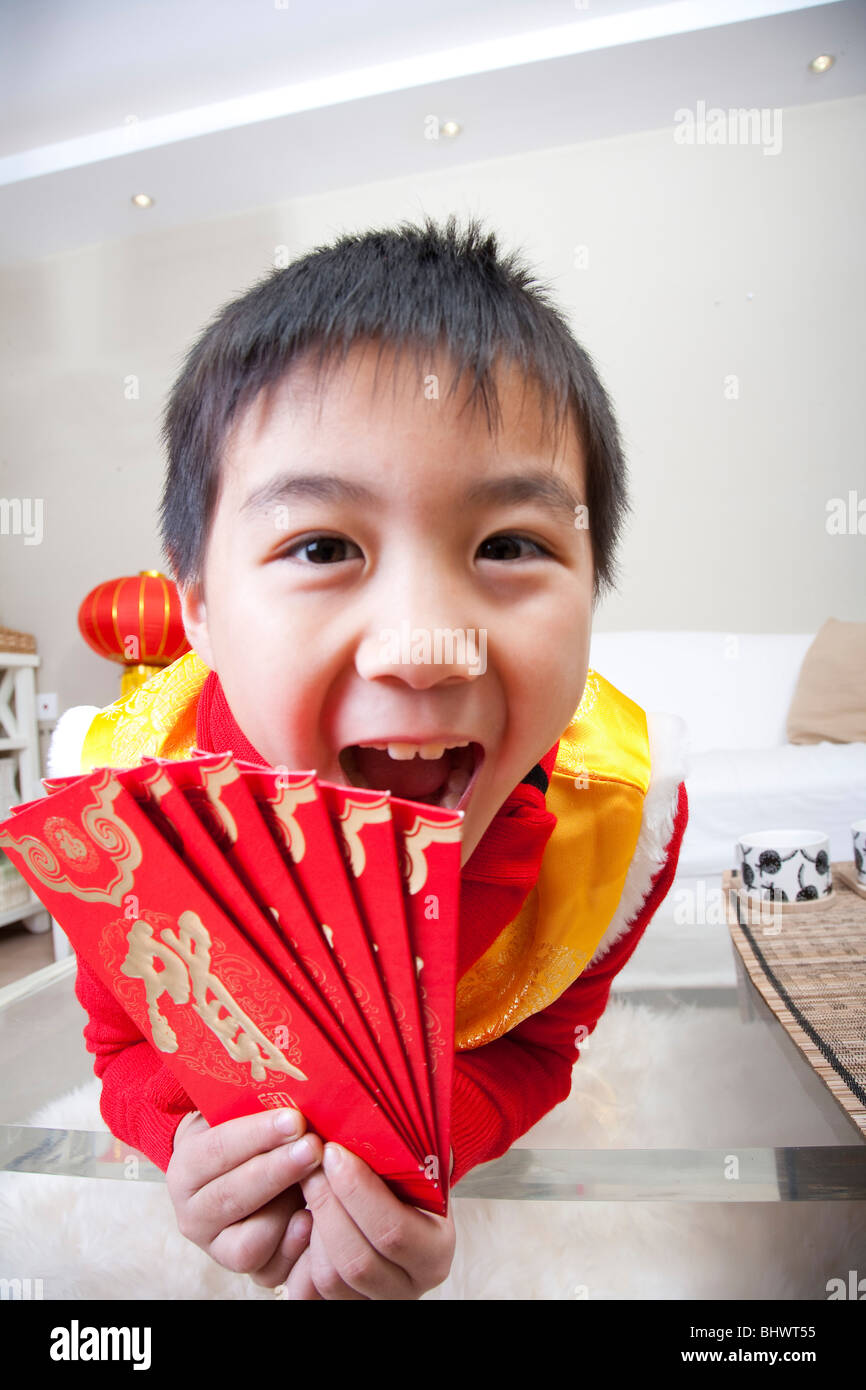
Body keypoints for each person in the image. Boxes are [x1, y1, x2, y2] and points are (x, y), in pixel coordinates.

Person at [52, 215, 689, 1300]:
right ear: (198, 606)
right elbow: (122, 1049)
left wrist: (423, 1154)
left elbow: (537, 1048)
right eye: (320, 547)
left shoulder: (614, 828)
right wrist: (191, 1139)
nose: (423, 647)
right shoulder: (116, 809)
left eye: (508, 546)